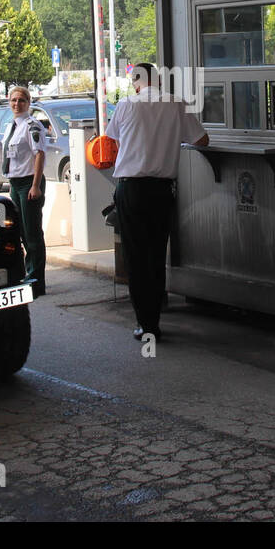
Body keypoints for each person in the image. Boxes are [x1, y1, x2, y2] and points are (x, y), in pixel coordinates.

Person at [105, 62, 208, 341]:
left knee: (135, 257)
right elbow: (202, 140)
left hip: (131, 188)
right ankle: (156, 315)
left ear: (136, 81)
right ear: (159, 80)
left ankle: (146, 324)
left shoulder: (126, 105)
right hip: (162, 191)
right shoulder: (176, 104)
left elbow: (110, 141)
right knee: (155, 253)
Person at [1, 86, 47, 297]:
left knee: (33, 233)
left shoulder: (32, 126)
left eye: (21, 100)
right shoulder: (12, 125)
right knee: (21, 233)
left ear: (29, 103)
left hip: (29, 183)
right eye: (13, 100)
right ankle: (29, 272)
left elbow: (39, 155)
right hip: (16, 183)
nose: (17, 104)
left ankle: (37, 281)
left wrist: (35, 186)